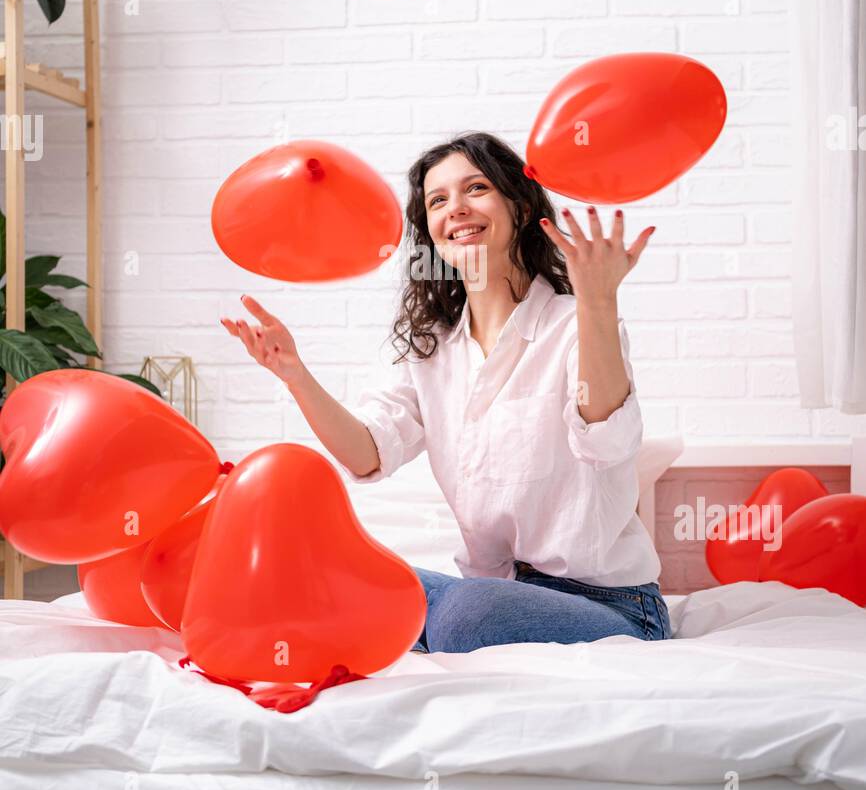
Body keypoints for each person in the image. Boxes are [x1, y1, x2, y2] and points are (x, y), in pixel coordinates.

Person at [221, 131, 673, 653]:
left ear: (521, 209)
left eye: (476, 189)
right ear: (431, 233)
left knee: (468, 616)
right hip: (496, 592)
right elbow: (368, 453)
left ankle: (401, 623)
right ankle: (398, 618)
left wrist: (598, 301)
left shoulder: (578, 323)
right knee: (320, 568)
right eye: (438, 200)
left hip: (609, 609)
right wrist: (295, 373)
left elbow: (606, 440)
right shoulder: (430, 348)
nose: (456, 208)